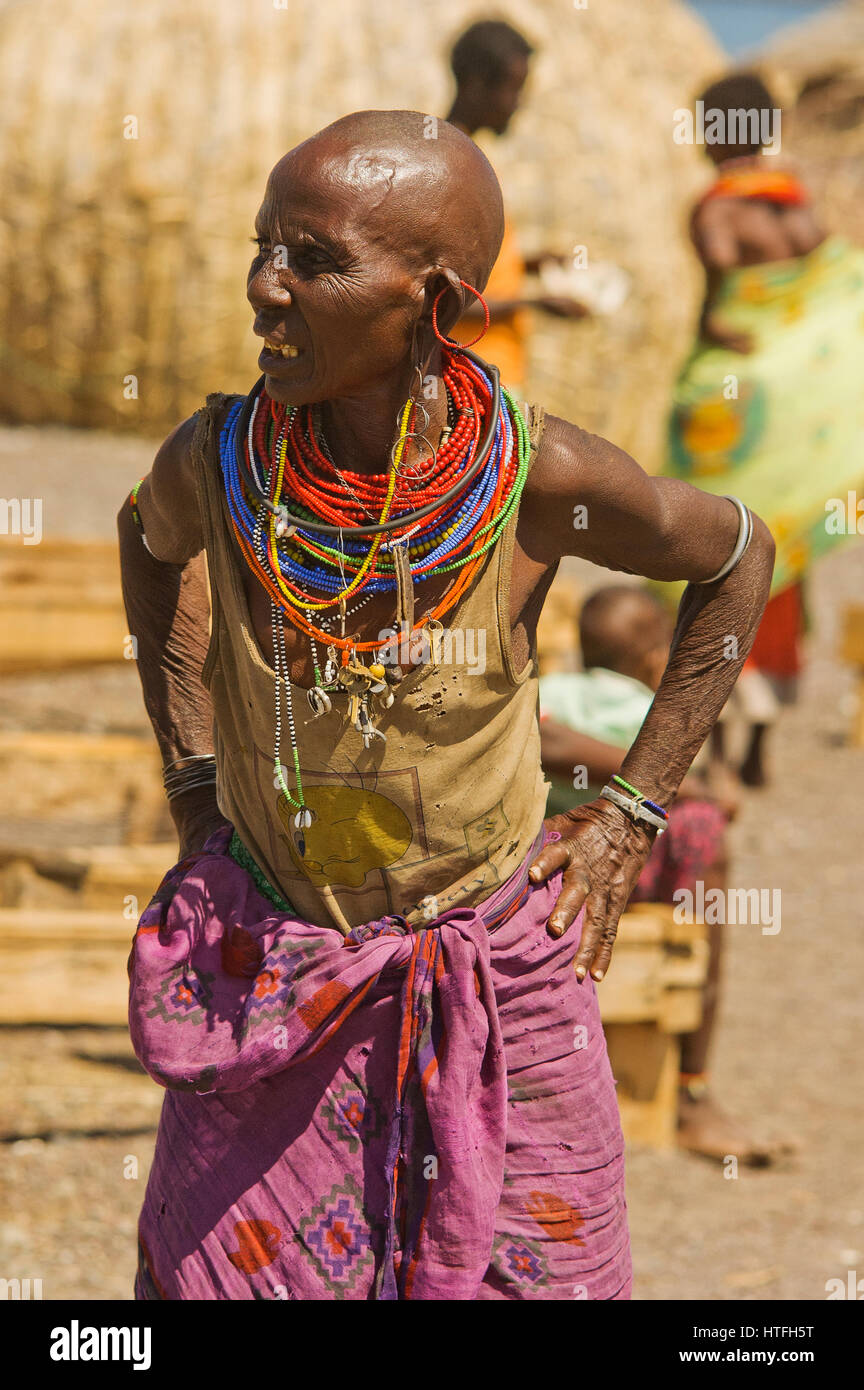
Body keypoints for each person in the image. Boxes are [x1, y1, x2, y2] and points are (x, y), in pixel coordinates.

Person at [118, 110, 773, 1301]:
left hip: (497, 968)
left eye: (313, 261)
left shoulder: (538, 482)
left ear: (435, 305)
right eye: (264, 247)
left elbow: (739, 555)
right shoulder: (218, 463)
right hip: (276, 961)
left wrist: (631, 811)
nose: (266, 288)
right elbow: (146, 545)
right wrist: (195, 783)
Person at [665, 71, 864, 785]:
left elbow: (721, 283)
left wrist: (707, 322)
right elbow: (832, 279)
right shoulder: (797, 205)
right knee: (782, 555)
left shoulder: (716, 207)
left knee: (711, 545)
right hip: (797, 400)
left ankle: (713, 726)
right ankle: (767, 720)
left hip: (737, 402)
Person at [539, 586, 780, 1165]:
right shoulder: (654, 714)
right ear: (655, 659)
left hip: (551, 869)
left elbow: (541, 734)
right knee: (700, 829)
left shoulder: (553, 691)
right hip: (622, 870)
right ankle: (693, 1086)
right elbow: (548, 741)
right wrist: (669, 781)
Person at [445, 18, 587, 394]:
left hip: (490, 373)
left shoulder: (469, 158)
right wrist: (535, 302)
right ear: (477, 84)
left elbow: (471, 268)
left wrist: (530, 264)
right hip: (467, 381)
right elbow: (444, 299)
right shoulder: (449, 167)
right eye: (514, 89)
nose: (519, 104)